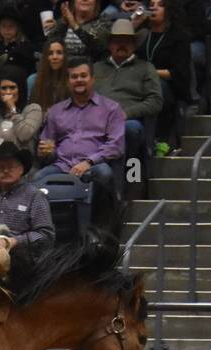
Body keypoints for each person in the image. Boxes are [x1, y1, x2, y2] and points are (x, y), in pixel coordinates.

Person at [39, 57, 125, 224]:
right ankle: (48, 232)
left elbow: (116, 146)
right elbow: (48, 146)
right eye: (74, 76)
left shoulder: (111, 108)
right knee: (38, 179)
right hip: (62, 165)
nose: (79, 80)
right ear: (68, 81)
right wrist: (45, 151)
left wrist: (88, 162)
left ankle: (99, 229)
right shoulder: (56, 111)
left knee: (104, 173)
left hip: (93, 166)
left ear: (93, 79)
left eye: (83, 76)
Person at [92, 19, 163, 169]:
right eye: (118, 41)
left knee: (128, 130)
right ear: (110, 44)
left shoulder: (146, 68)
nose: (122, 45)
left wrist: (125, 113)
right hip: (96, 121)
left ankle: (132, 180)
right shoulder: (96, 68)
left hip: (127, 120)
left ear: (134, 45)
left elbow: (155, 101)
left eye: (127, 41)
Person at [135, 0, 191, 154]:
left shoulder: (179, 36)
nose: (153, 7)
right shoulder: (141, 34)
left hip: (169, 86)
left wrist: (150, 73)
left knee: (155, 87)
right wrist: (133, 26)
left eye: (159, 5)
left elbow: (178, 72)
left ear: (169, 10)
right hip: (138, 81)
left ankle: (154, 141)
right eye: (151, 4)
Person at [0, 68, 43, 167]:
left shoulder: (33, 109)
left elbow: (24, 135)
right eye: (4, 88)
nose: (8, 92)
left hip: (24, 164)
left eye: (12, 88)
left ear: (21, 89)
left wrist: (12, 110)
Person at [45, 0, 112, 62]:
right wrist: (62, 25)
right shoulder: (63, 22)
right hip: (63, 69)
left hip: (91, 70)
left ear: (96, 2)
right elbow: (51, 46)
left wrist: (75, 26)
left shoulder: (103, 23)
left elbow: (98, 49)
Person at [30, 38, 71, 112]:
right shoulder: (33, 80)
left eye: (59, 53)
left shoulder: (72, 80)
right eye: (50, 53)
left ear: (65, 56)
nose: (55, 57)